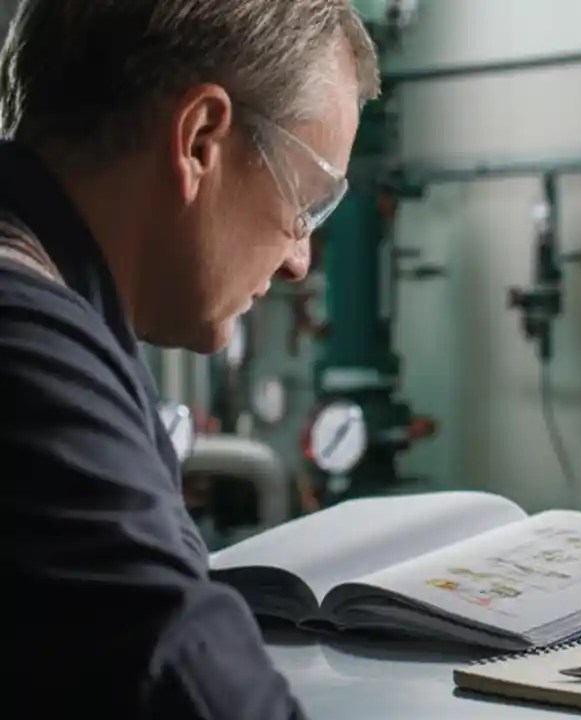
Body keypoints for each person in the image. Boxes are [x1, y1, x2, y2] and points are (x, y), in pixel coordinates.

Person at [0, 1, 380, 717]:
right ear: (201, 138)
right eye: (309, 201)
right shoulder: (28, 356)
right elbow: (196, 691)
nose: (300, 257)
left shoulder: (57, 324)